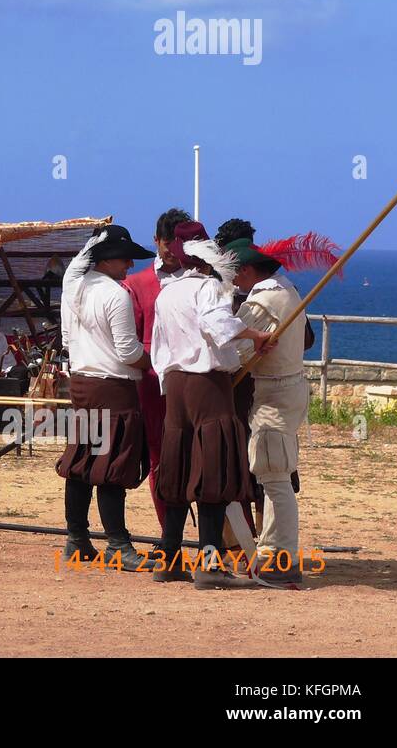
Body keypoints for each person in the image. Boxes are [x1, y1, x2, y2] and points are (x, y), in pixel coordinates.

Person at [150, 222, 273, 588]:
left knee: (179, 469)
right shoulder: (208, 288)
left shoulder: (167, 293)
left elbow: (159, 349)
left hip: (174, 386)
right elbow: (217, 324)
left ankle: (170, 557)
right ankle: (209, 560)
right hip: (206, 383)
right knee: (213, 471)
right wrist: (257, 335)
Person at [57, 225, 155, 572]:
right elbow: (128, 351)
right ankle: (117, 543)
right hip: (113, 387)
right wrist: (154, 361)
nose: (129, 263)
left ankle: (77, 538)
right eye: (125, 257)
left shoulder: (73, 287)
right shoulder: (115, 295)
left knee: (82, 462)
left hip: (82, 382)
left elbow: (68, 340)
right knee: (113, 465)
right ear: (107, 258)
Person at [225, 238, 309, 587]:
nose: (234, 284)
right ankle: (275, 552)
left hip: (273, 392)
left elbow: (233, 352)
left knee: (274, 476)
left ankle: (280, 555)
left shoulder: (262, 301)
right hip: (289, 387)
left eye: (235, 276)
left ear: (246, 270)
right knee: (278, 473)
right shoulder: (287, 288)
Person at [123, 207, 191, 530]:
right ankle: (169, 534)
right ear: (156, 242)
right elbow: (131, 338)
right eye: (168, 245)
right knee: (159, 459)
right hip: (151, 384)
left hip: (192, 381)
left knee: (196, 456)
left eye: (179, 245)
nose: (173, 253)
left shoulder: (198, 280)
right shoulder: (136, 284)